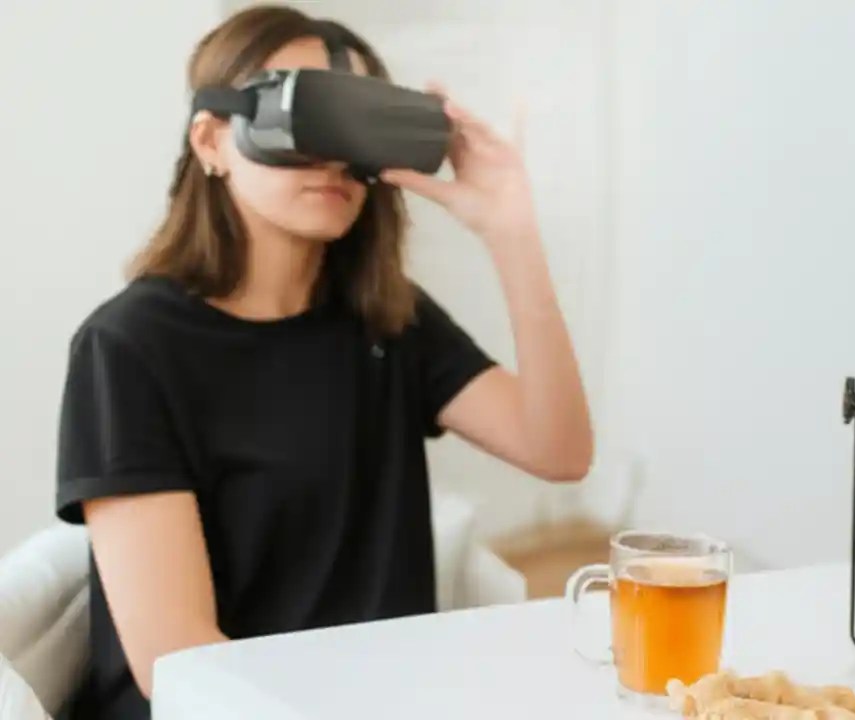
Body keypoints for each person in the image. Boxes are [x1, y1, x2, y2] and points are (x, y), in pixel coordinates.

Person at [52, 6, 593, 719]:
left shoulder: (387, 321)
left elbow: (558, 451)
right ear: (211, 140)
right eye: (307, 116)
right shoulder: (129, 348)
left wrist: (513, 232)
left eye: (356, 124)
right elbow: (177, 663)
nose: (335, 157)